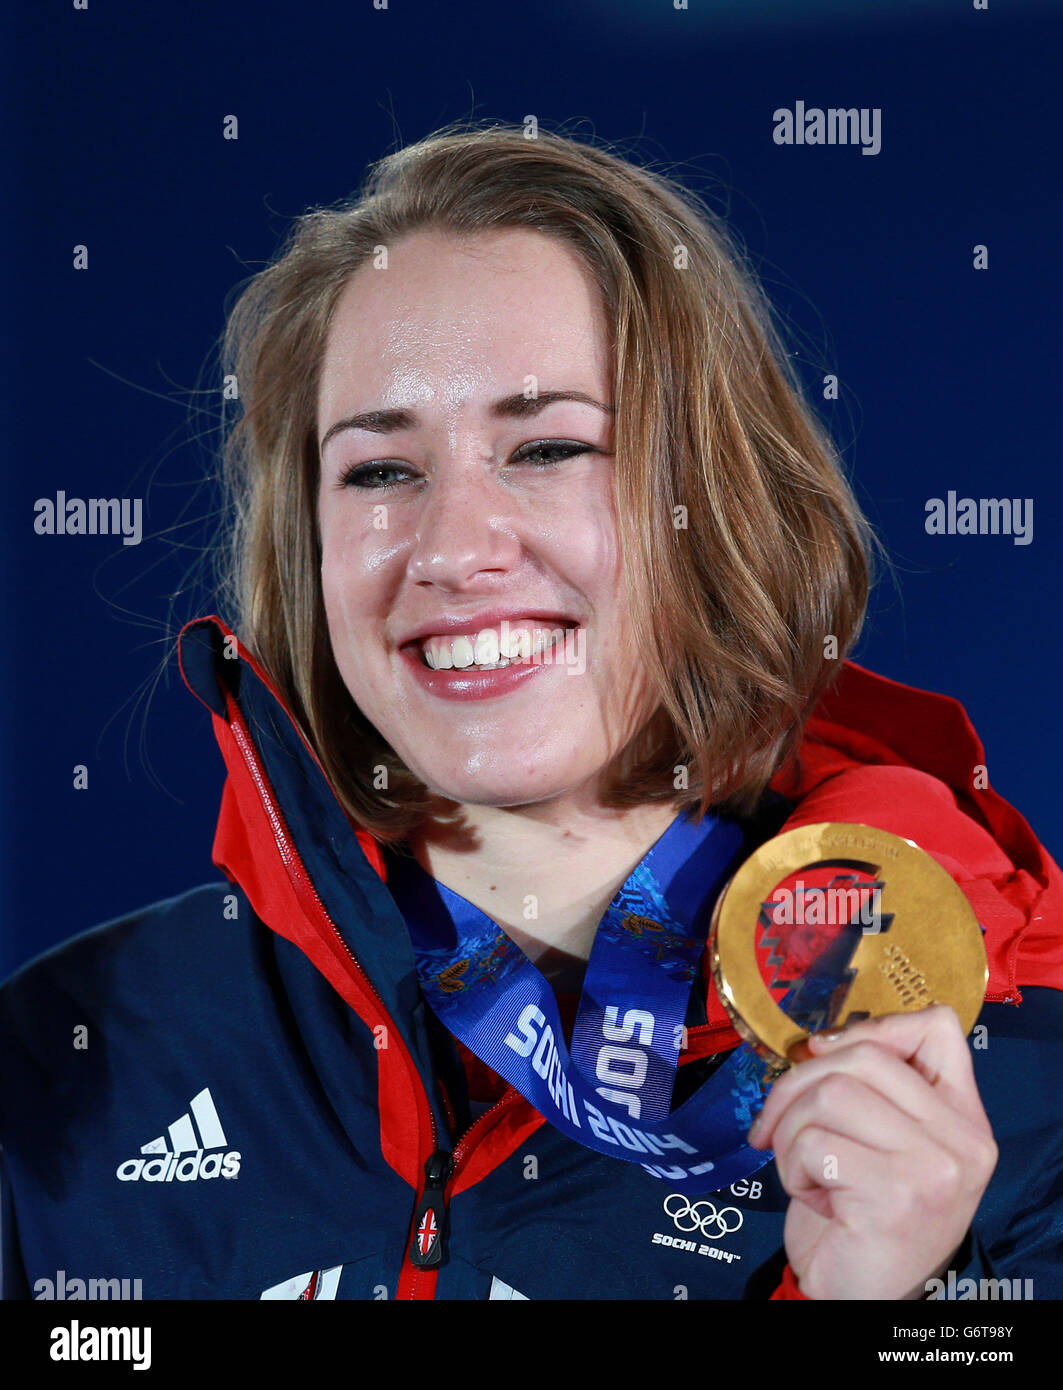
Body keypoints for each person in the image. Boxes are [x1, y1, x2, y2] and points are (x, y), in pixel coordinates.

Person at [2, 123, 1061, 1303]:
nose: (453, 550)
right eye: (380, 471)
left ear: (713, 505)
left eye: (549, 446)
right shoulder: (68, 1058)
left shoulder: (1019, 1083)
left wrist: (897, 1308)